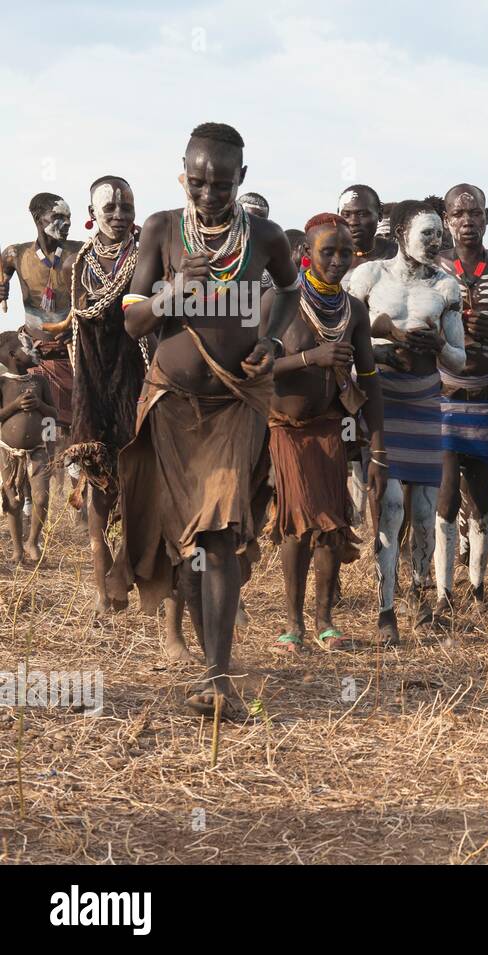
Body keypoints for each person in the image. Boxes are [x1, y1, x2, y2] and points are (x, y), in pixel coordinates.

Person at [110, 121, 299, 715]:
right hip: (170, 403)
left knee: (218, 533)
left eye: (221, 183)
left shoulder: (265, 236)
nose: (209, 193)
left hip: (232, 403)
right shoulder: (162, 230)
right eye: (198, 182)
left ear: (242, 177)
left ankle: (217, 678)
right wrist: (172, 291)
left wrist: (269, 339)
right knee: (183, 541)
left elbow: (289, 292)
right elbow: (133, 320)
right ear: (183, 175)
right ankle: (205, 657)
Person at [348, 199, 466, 644]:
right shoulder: (368, 277)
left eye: (439, 234)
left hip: (424, 399)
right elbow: (344, 330)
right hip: (381, 398)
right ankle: (385, 611)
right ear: (399, 234)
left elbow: (460, 357)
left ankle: (421, 598)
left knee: (423, 509)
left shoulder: (447, 286)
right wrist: (381, 341)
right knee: (391, 503)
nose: (435, 241)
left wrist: (437, 343)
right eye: (426, 233)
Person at [266, 213, 385, 653]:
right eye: (327, 252)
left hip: (332, 426)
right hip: (287, 428)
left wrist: (379, 446)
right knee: (297, 524)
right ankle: (293, 624)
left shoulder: (353, 309)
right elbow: (257, 368)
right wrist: (310, 359)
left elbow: (369, 379)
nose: (338, 261)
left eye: (345, 252)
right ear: (305, 254)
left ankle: (325, 622)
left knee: (332, 527)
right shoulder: (279, 303)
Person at [432, 183, 488, 610]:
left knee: (482, 499)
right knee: (447, 494)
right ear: (446, 219)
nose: (466, 221)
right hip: (446, 395)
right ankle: (443, 591)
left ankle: (478, 588)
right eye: (457, 213)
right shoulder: (433, 267)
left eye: (474, 213)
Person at [63, 175, 148, 613]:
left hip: (136, 375)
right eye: (110, 208)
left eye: (127, 207)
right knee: (97, 477)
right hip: (93, 381)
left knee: (137, 478)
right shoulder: (79, 264)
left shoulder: (145, 254)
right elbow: (79, 321)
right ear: (92, 214)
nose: (119, 214)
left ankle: (125, 569)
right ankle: (102, 584)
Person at [1, 193, 80, 436]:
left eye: (68, 218)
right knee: (30, 429)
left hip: (70, 352)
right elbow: (2, 272)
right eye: (57, 217)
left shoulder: (80, 251)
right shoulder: (16, 254)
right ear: (38, 218)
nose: (66, 223)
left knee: (75, 425)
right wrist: (3, 288)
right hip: (32, 354)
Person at [0, 331, 55, 562]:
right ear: (13, 354)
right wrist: (13, 406)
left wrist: (40, 404)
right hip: (8, 453)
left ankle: (33, 542)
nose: (33, 350)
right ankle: (17, 550)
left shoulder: (40, 381)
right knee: (13, 501)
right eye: (27, 347)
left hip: (38, 450)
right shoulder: (2, 383)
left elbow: (54, 413)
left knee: (41, 498)